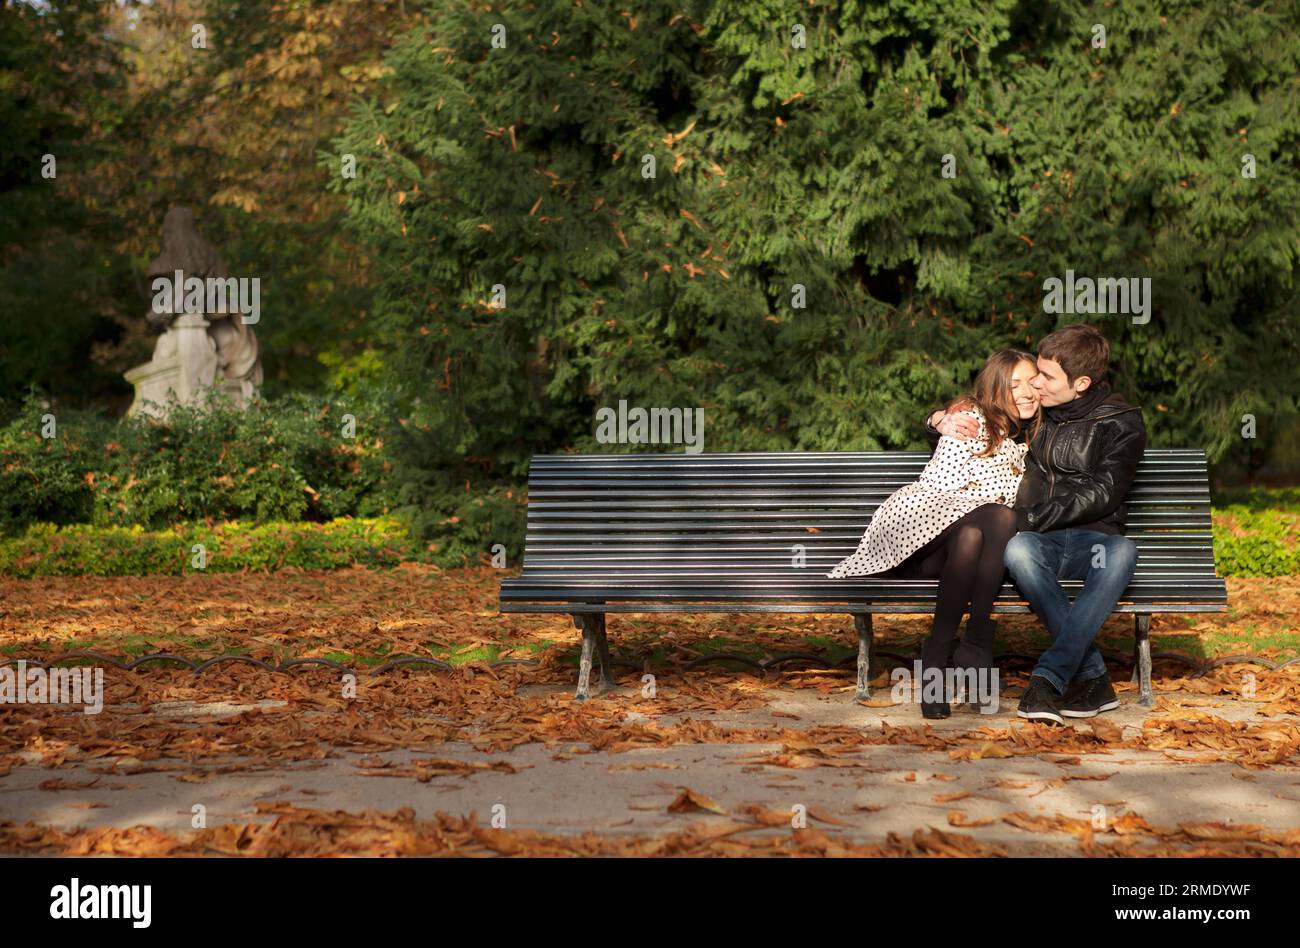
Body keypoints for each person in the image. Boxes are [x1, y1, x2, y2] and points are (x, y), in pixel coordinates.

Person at [927, 324, 1146, 724]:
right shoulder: (1041, 414)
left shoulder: (1122, 423)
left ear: (1080, 383)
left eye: (1045, 377)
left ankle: (1047, 679)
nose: (1036, 386)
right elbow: (987, 414)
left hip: (1093, 542)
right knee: (1017, 549)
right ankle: (1091, 675)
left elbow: (1102, 492)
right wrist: (938, 418)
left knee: (1122, 554)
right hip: (1037, 540)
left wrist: (1028, 517)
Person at [829, 350, 1041, 719]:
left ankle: (937, 659)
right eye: (1014, 384)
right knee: (997, 519)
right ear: (994, 389)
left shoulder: (1027, 438)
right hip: (916, 533)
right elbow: (940, 488)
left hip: (960, 552)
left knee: (975, 535)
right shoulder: (969, 419)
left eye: (1031, 382)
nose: (1026, 392)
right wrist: (939, 419)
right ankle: (975, 642)